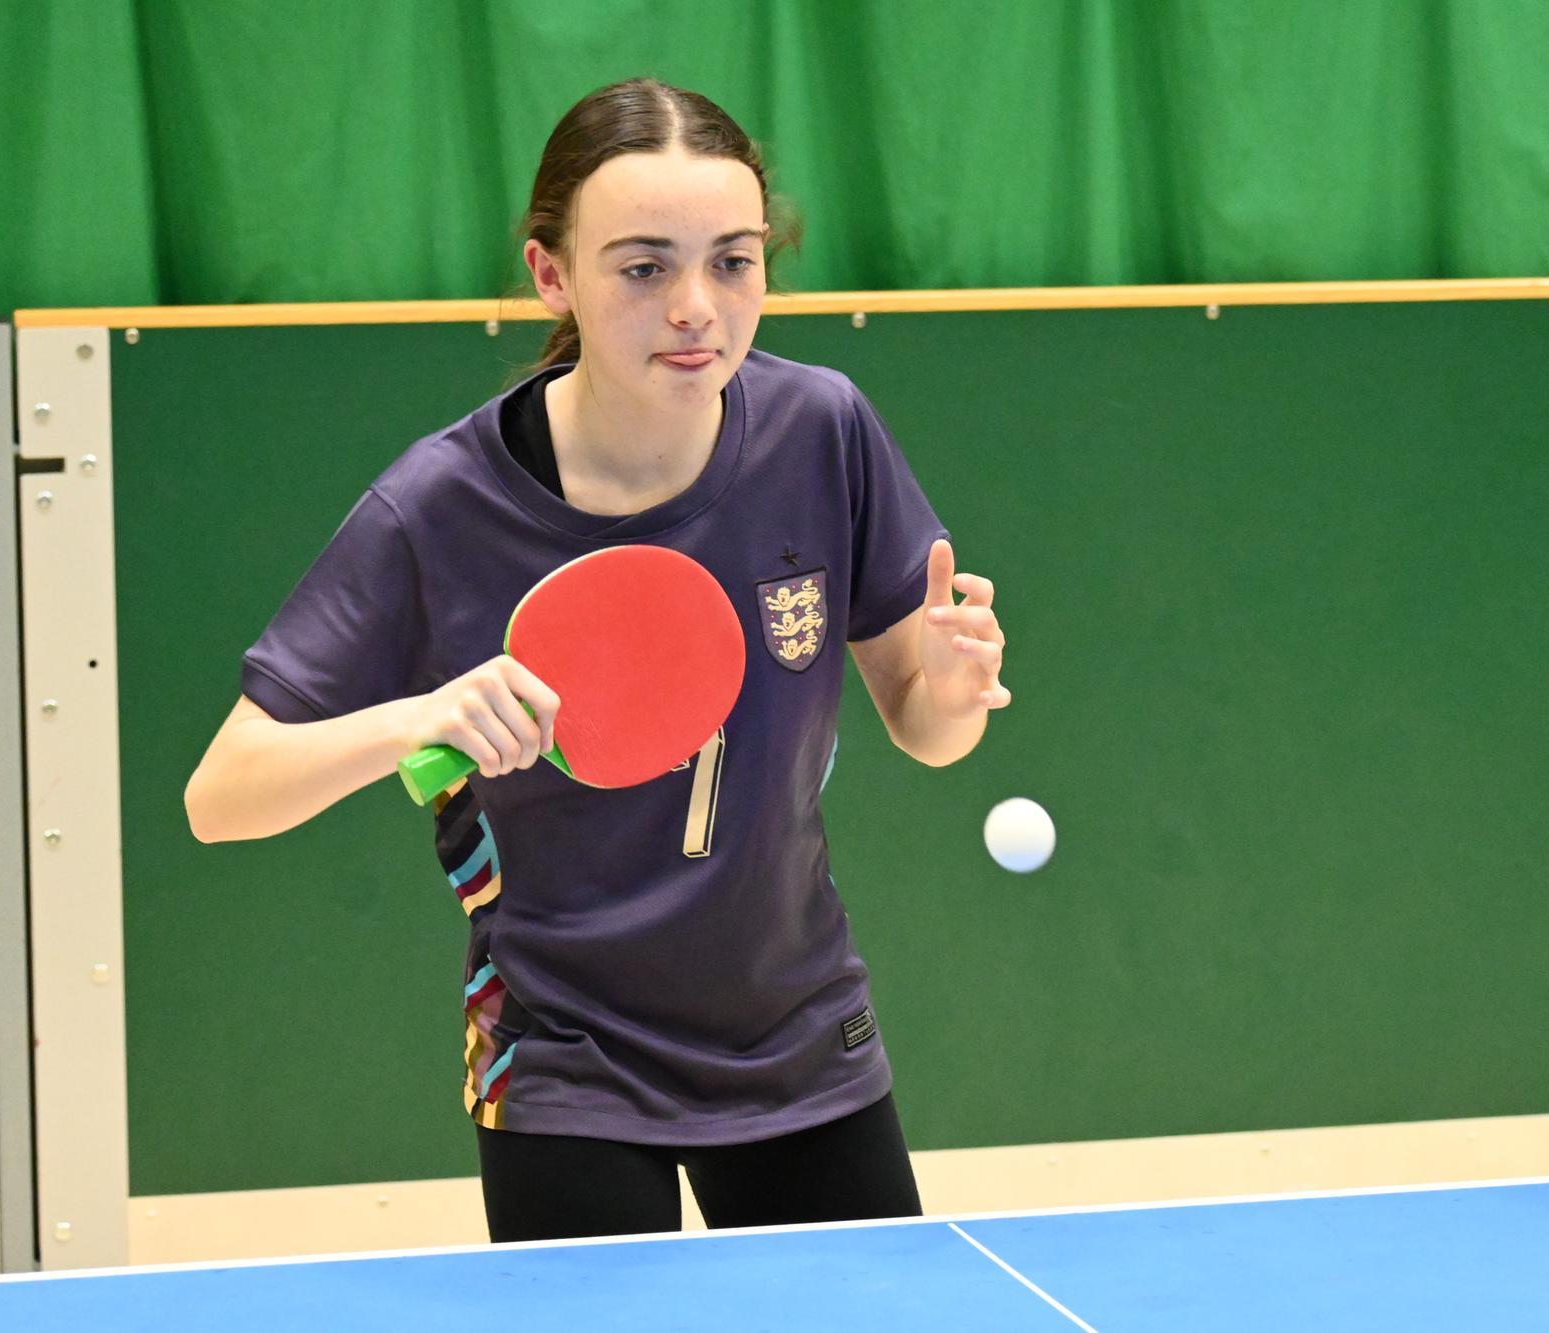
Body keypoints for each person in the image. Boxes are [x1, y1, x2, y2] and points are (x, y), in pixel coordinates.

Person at [183, 78, 1010, 1244]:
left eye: (732, 261)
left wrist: (955, 691)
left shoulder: (820, 429)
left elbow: (924, 730)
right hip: (560, 1056)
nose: (696, 309)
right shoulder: (438, 506)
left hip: (796, 1031)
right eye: (641, 267)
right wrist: (417, 717)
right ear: (550, 275)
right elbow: (221, 798)